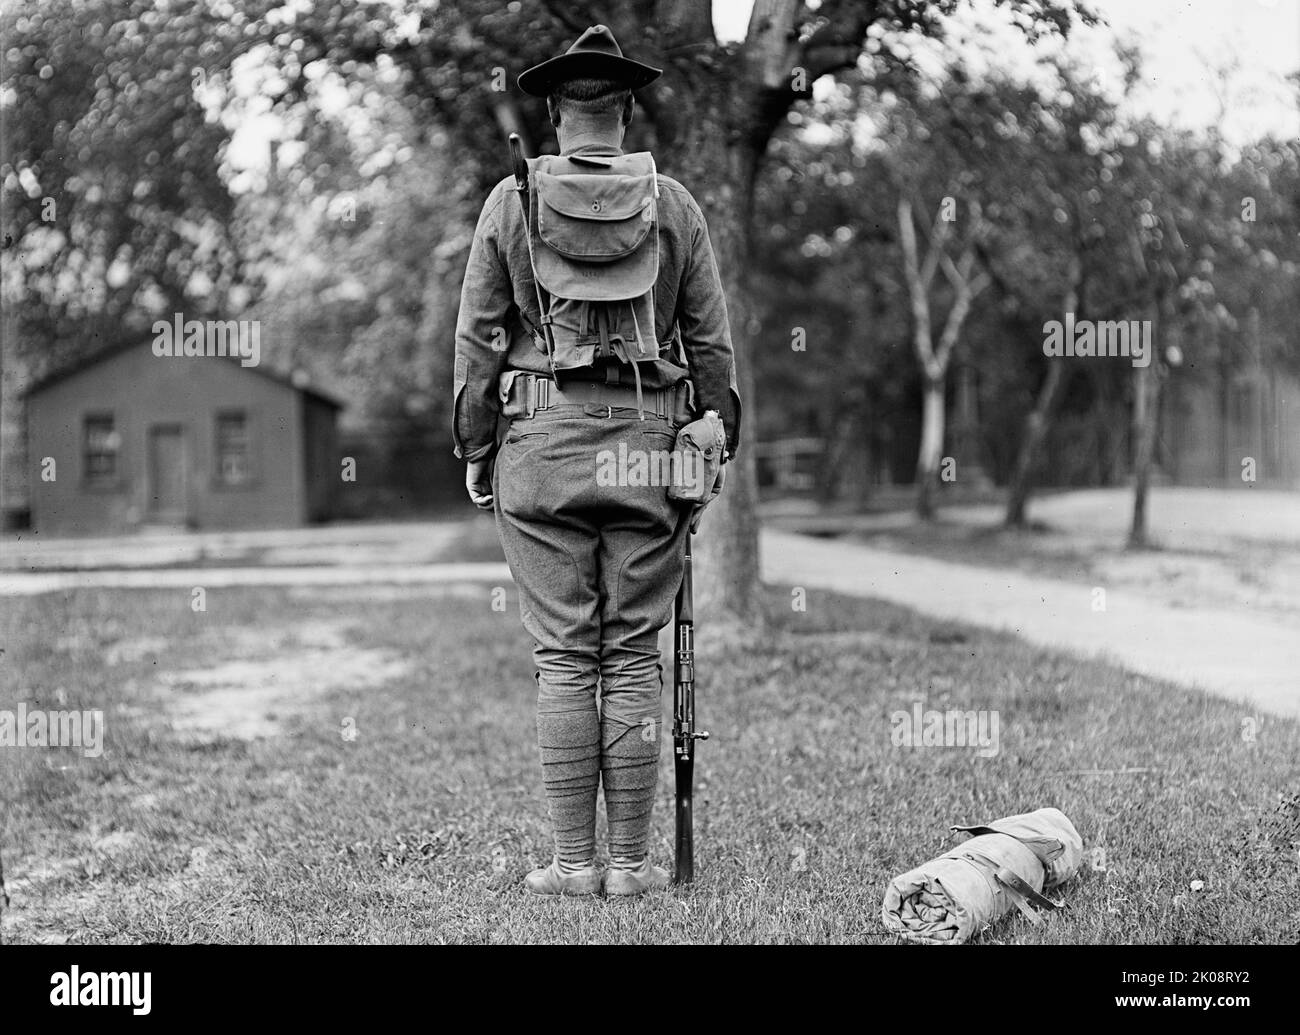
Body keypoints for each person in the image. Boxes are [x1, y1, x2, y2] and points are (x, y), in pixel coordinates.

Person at [452, 25, 740, 896]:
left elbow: (477, 339)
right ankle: (629, 866)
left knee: (567, 659)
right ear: (626, 112)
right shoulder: (677, 205)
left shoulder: (512, 201)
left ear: (551, 113)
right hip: (649, 457)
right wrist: (716, 426)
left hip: (538, 454)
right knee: (631, 656)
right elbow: (714, 352)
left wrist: (475, 445)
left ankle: (574, 865)